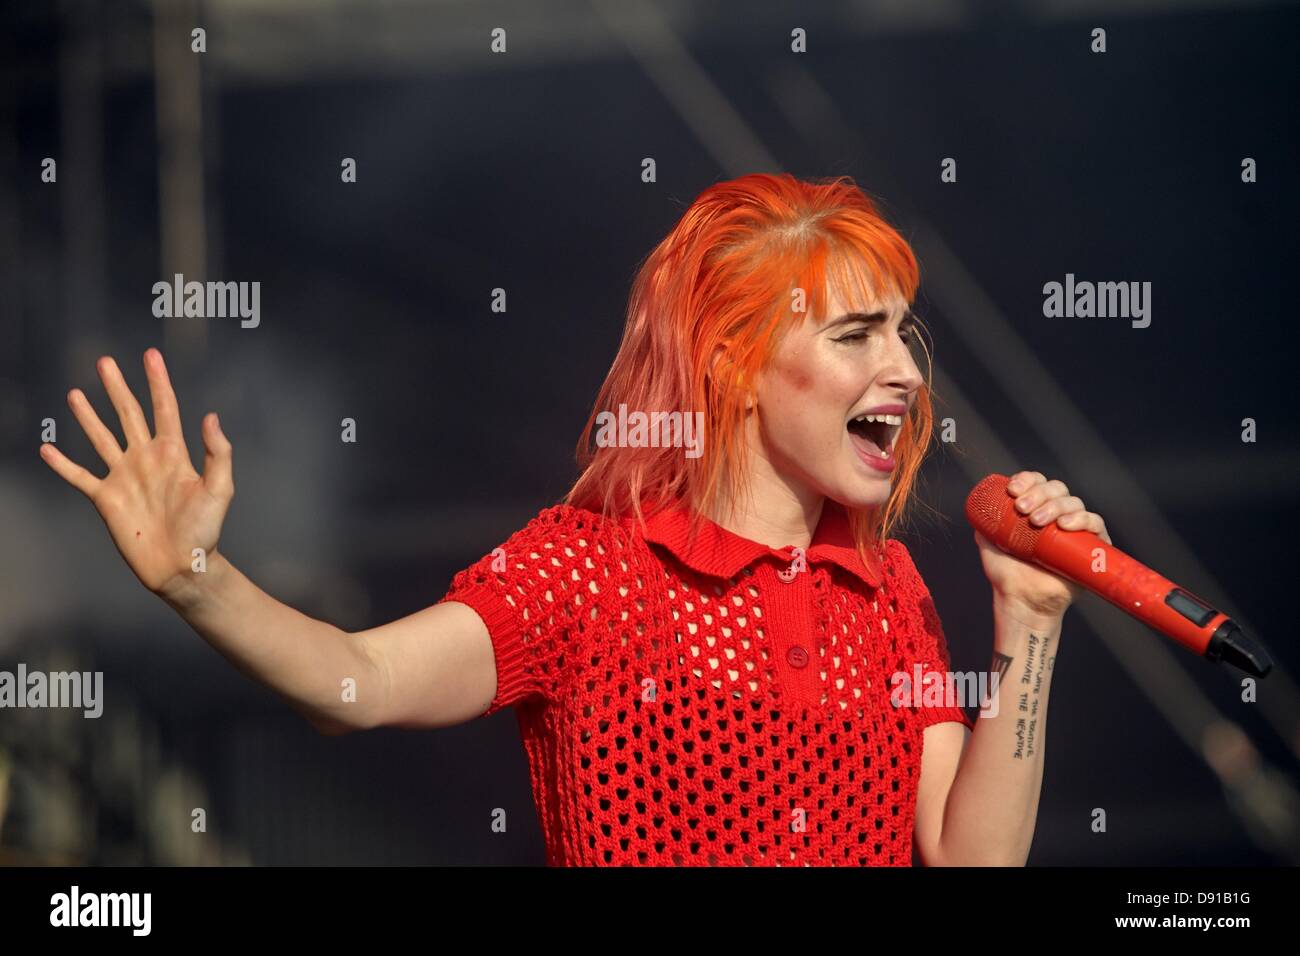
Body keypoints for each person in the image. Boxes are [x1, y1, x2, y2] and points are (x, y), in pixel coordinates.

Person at [41, 172, 1111, 866]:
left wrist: (1028, 621)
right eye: (855, 335)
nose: (903, 368)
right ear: (733, 367)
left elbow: (973, 860)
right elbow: (354, 684)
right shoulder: (591, 572)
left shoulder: (888, 594)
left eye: (903, 334)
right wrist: (195, 575)